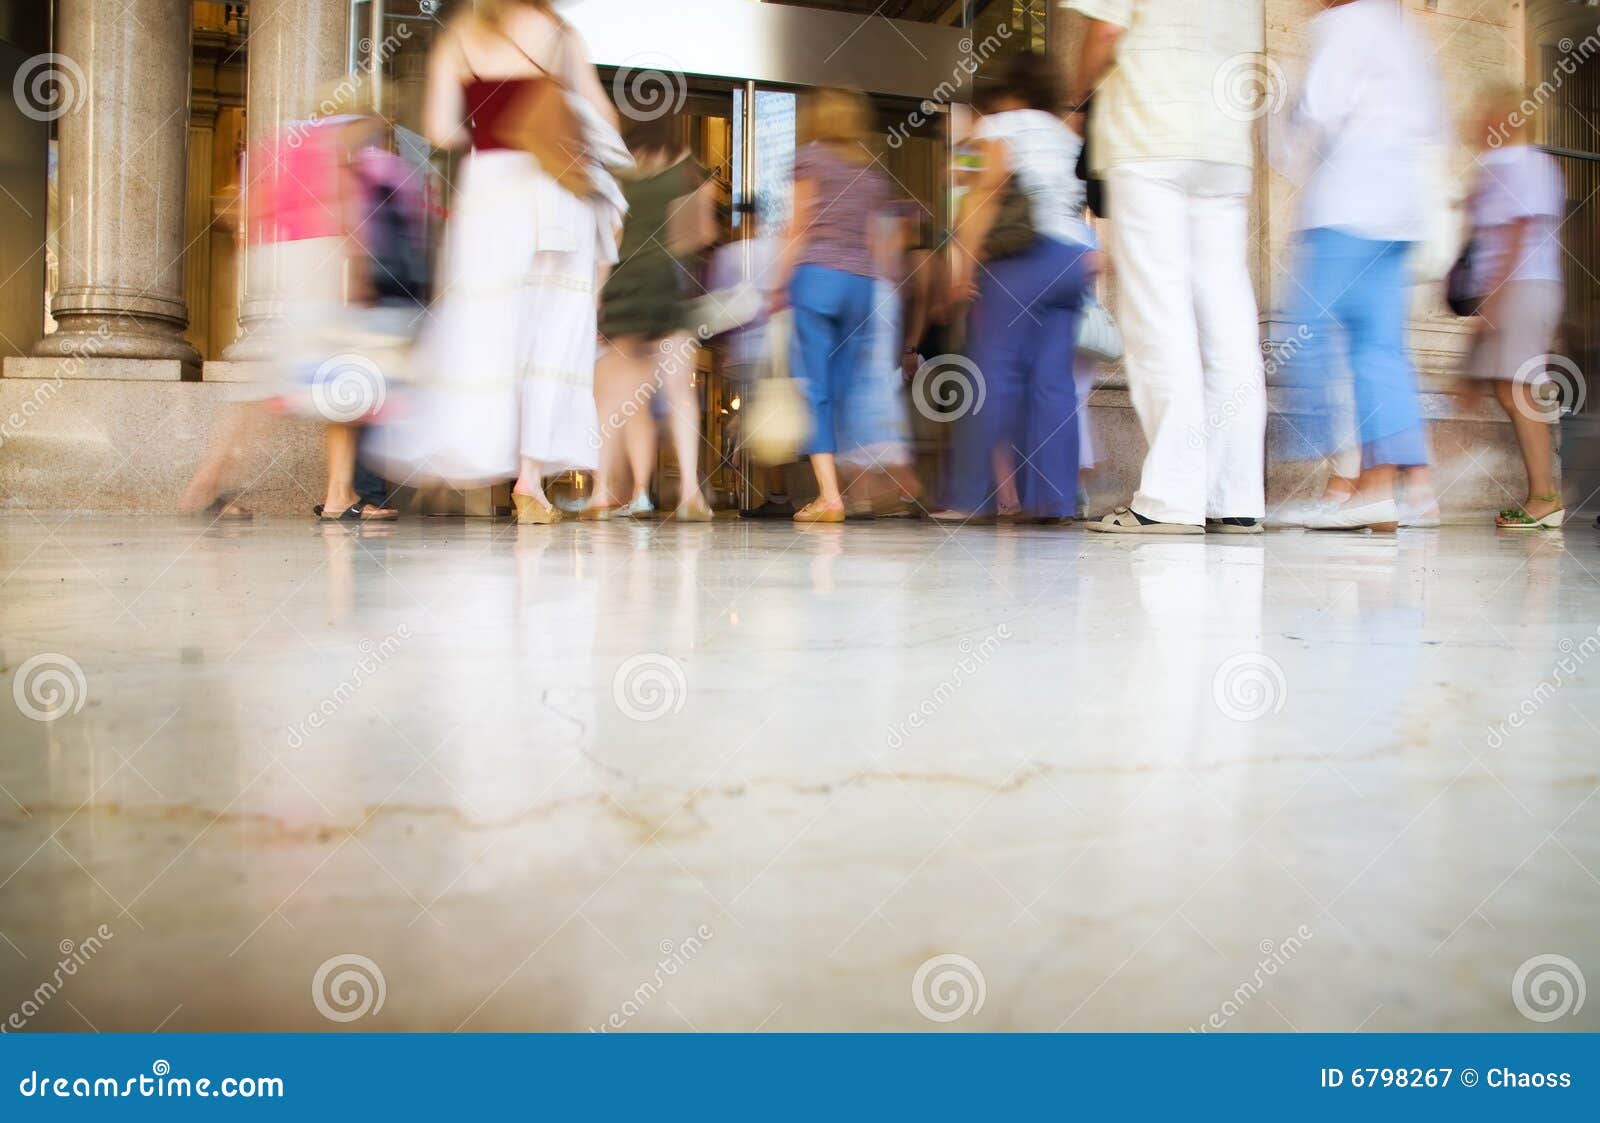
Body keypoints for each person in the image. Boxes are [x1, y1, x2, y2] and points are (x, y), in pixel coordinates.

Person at [365, 0, 625, 525]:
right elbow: (605, 117)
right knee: (552, 331)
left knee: (491, 331)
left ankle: (479, 451)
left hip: (489, 192)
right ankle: (530, 480)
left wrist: (489, 131)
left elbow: (440, 130)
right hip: (554, 186)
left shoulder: (457, 35)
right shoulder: (559, 32)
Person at [1068, 0, 1266, 534]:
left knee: (1158, 314)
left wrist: (1075, 99)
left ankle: (1172, 497)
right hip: (1223, 148)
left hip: (1149, 136)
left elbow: (1106, 28)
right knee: (1228, 317)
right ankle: (1236, 496)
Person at [1270, 0, 1449, 532]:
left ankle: (1339, 476)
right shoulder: (1404, 30)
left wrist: (1279, 118)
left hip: (1345, 206)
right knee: (1381, 351)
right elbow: (1432, 121)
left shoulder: (1342, 23)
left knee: (1304, 331)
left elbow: (1320, 108)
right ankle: (1393, 491)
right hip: (1398, 213)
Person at [934, 53, 1096, 524]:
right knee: (1053, 384)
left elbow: (981, 193)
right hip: (1071, 261)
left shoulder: (992, 129)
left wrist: (961, 265)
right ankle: (1054, 500)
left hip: (1020, 262)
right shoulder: (1064, 133)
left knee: (993, 379)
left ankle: (967, 496)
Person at [769, 87, 891, 524]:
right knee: (843, 390)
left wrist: (778, 285)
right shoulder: (871, 173)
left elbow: (796, 228)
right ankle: (850, 486)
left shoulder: (810, 158)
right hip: (861, 285)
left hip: (818, 278)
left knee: (815, 389)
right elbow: (877, 240)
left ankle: (829, 497)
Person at [589, 110, 718, 521]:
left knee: (614, 400)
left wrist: (596, 295)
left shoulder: (618, 170)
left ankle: (598, 493)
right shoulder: (684, 167)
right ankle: (690, 494)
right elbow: (701, 233)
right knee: (679, 391)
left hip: (625, 287)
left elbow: (610, 235)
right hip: (666, 284)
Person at [1459, 82, 1568, 529]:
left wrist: (1493, 301)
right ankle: (1542, 495)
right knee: (1510, 388)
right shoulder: (1506, 165)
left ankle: (1545, 497)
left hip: (1521, 286)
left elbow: (1515, 236)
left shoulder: (1522, 164)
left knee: (1518, 389)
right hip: (1523, 286)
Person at [705, 202, 793, 518]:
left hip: (745, 353)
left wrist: (717, 351)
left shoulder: (730, 255)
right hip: (780, 349)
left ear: (742, 220)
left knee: (756, 422)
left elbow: (718, 308)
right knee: (768, 419)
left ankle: (778, 497)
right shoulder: (782, 250)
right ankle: (776, 494)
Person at [838, 200, 923, 518]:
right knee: (866, 413)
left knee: (864, 411)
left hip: (870, 323)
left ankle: (902, 490)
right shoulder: (884, 257)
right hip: (874, 324)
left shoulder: (871, 236)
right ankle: (866, 495)